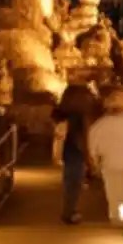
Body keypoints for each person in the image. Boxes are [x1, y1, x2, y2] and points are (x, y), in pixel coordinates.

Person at [88, 90, 123, 224]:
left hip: (108, 163)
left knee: (112, 191)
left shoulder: (100, 124)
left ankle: (114, 216)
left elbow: (92, 145)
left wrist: (94, 161)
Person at [51, 85, 95, 224]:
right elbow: (83, 138)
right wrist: (89, 157)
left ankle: (70, 211)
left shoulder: (62, 115)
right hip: (75, 152)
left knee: (71, 183)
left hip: (68, 151)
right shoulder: (78, 117)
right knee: (74, 183)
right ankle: (70, 213)